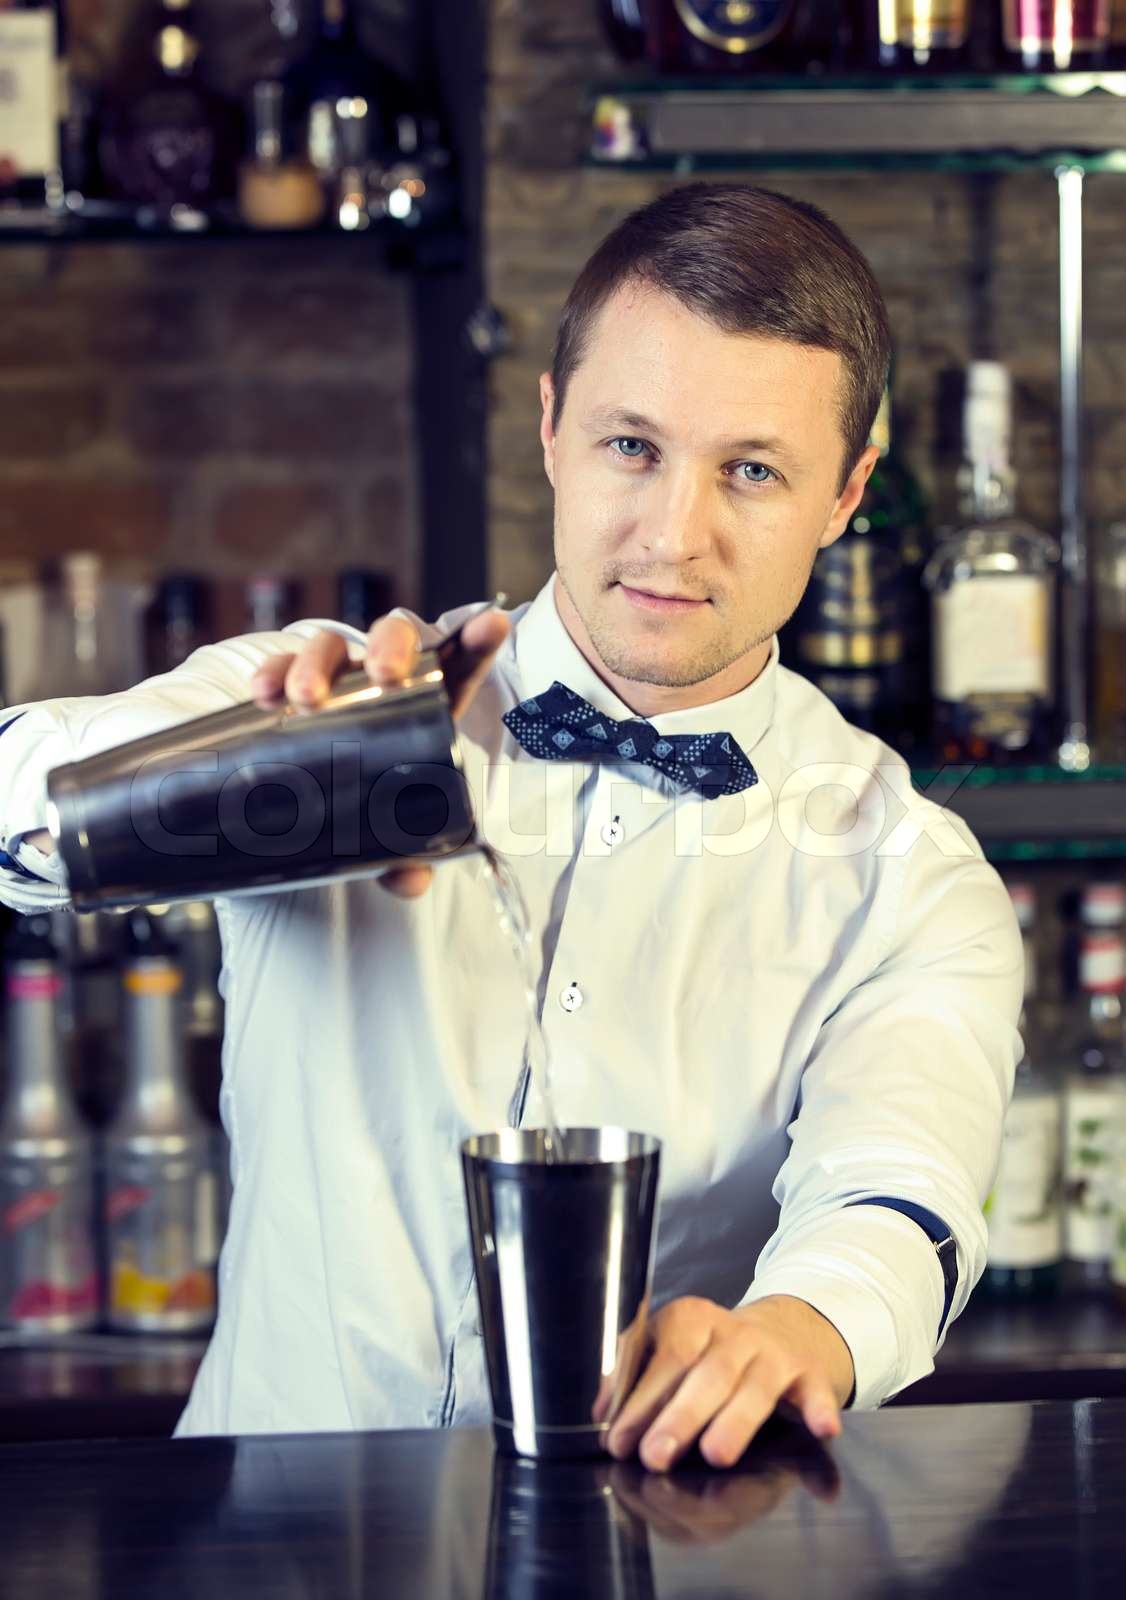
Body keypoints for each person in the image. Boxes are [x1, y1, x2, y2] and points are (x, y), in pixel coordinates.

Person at [0, 183, 1022, 1472]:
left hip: (649, 1533)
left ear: (845, 494)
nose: (673, 534)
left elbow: (900, 1194)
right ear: (548, 428)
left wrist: (798, 1327)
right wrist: (259, 780)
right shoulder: (321, 705)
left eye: (751, 472)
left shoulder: (908, 876)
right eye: (631, 447)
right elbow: (12, 819)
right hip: (267, 1533)